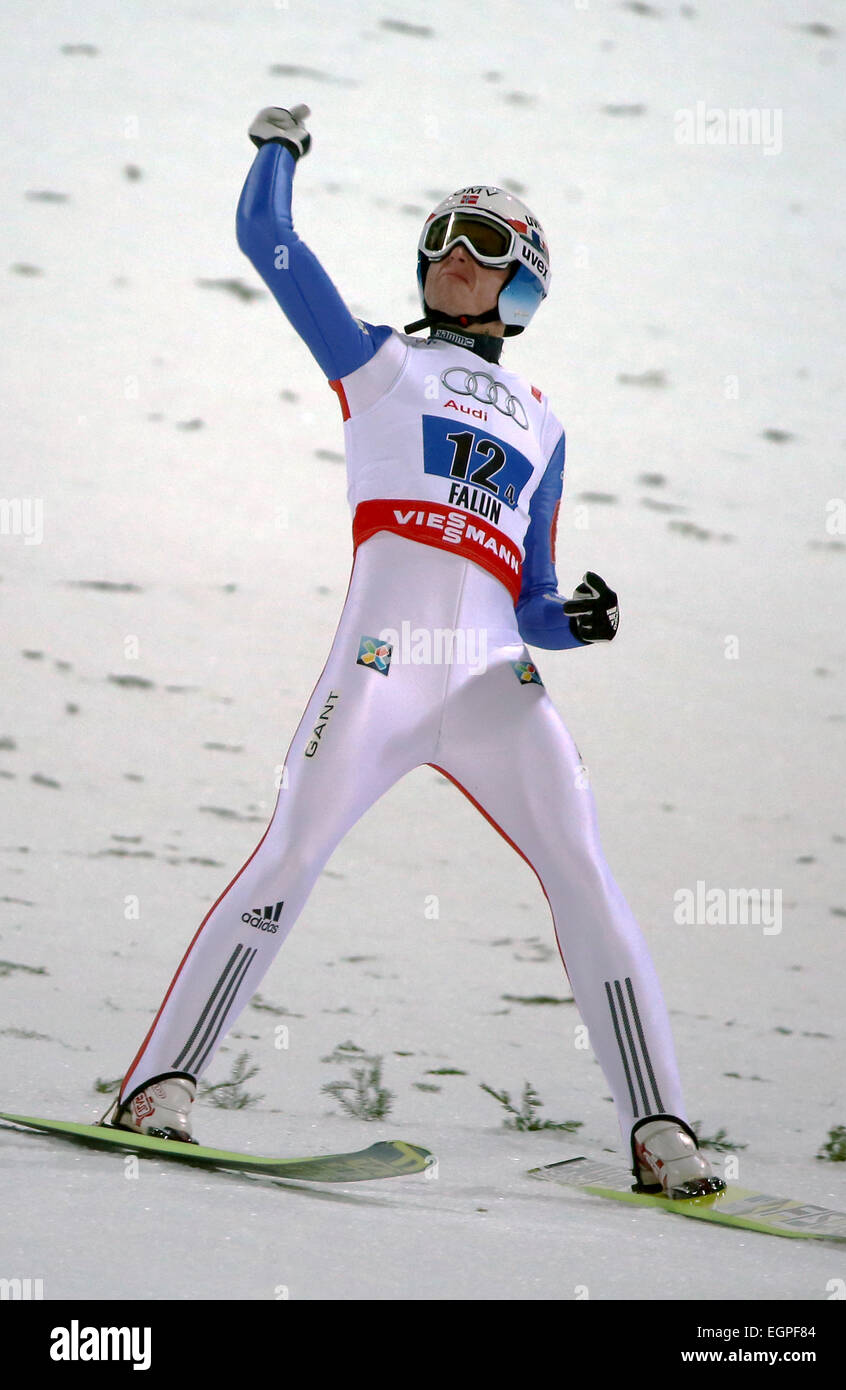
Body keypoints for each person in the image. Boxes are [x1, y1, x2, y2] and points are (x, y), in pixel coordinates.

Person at [106, 104, 723, 1199]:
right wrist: (276, 147)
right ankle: (159, 1087)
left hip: (493, 680)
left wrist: (569, 620)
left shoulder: (541, 420)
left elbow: (525, 596)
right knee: (291, 851)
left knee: (581, 870)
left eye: (486, 247)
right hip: (380, 670)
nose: (456, 259)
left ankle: (660, 1130)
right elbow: (269, 244)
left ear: (521, 283)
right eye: (442, 238)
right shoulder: (379, 362)